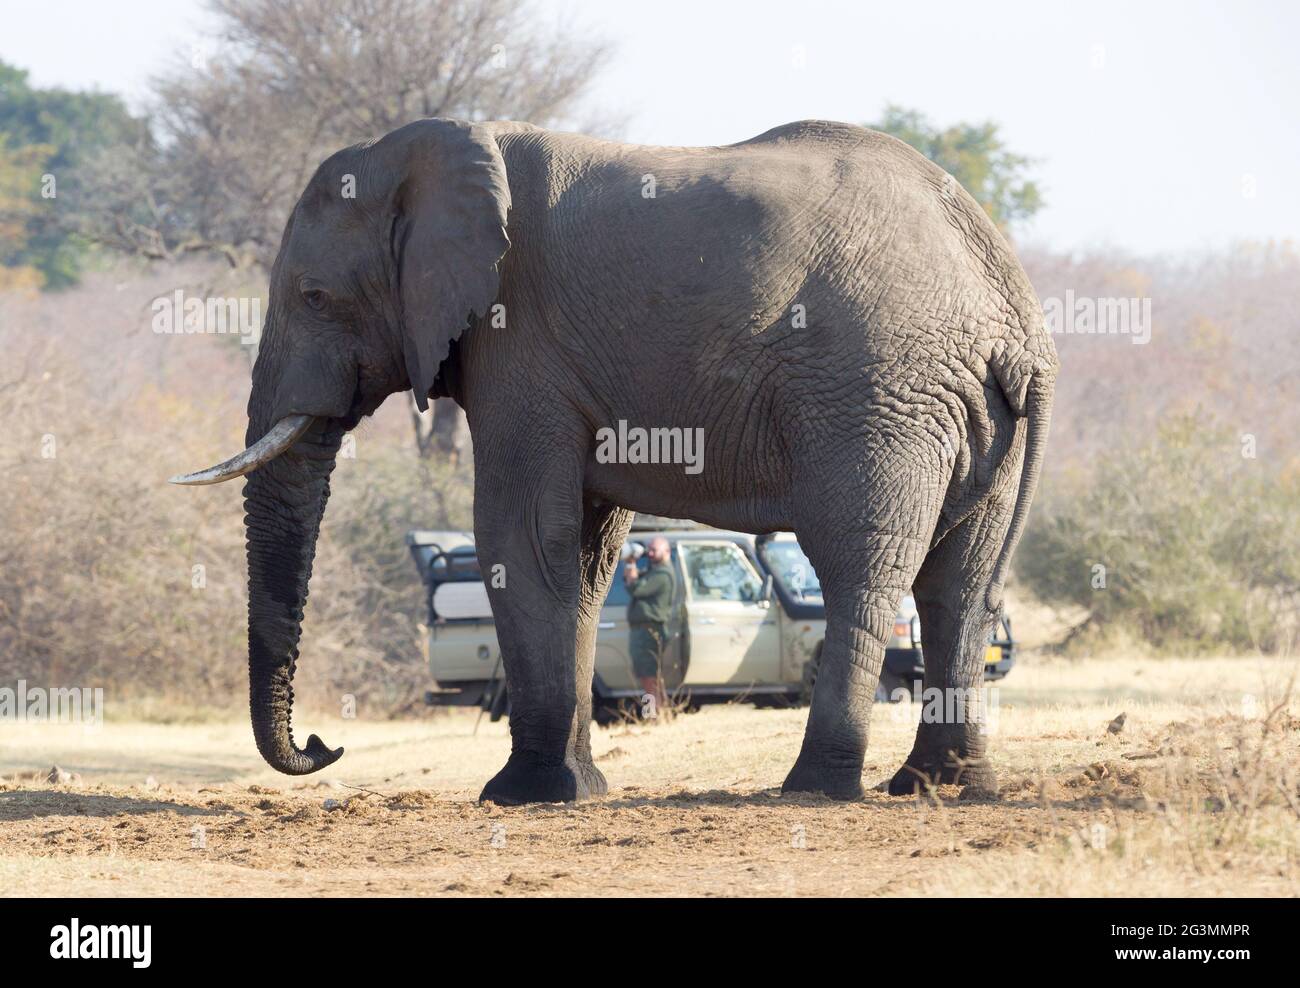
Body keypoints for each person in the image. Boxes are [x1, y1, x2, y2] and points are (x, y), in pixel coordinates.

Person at [623, 536, 675, 710]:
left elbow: (635, 588)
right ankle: (661, 713)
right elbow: (629, 581)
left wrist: (630, 564)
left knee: (647, 676)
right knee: (652, 676)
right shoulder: (654, 571)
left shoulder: (662, 574)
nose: (650, 553)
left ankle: (652, 714)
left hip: (648, 630)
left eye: (655, 550)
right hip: (646, 629)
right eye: (649, 550)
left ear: (667, 551)